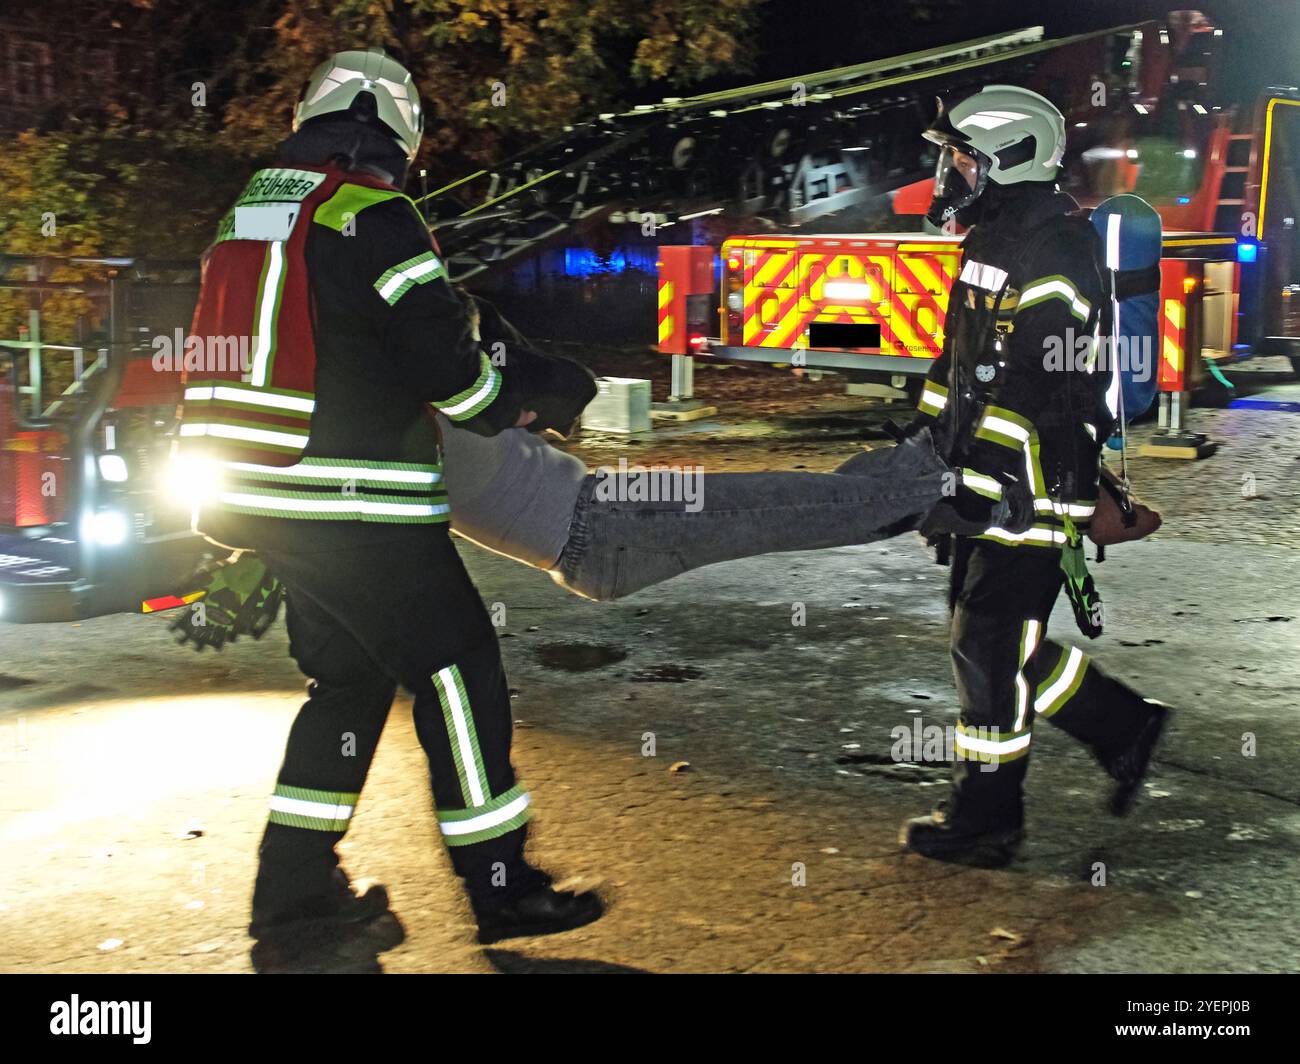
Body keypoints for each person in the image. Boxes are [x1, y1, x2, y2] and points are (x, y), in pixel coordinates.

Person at [177, 48, 604, 972]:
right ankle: (503, 890)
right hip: (355, 505)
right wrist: (512, 403)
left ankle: (293, 897)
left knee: (350, 686)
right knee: (460, 675)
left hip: (264, 501)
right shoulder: (378, 215)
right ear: (398, 129)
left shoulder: (249, 213)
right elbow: (448, 374)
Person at [895, 85, 1171, 868]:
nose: (948, 170)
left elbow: (1039, 383)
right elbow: (958, 368)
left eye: (960, 156)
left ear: (1006, 158)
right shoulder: (994, 240)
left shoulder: (1055, 247)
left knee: (986, 644)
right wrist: (926, 444)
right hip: (983, 480)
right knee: (990, 640)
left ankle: (988, 820)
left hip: (1034, 486)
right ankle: (1122, 726)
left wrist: (980, 474)